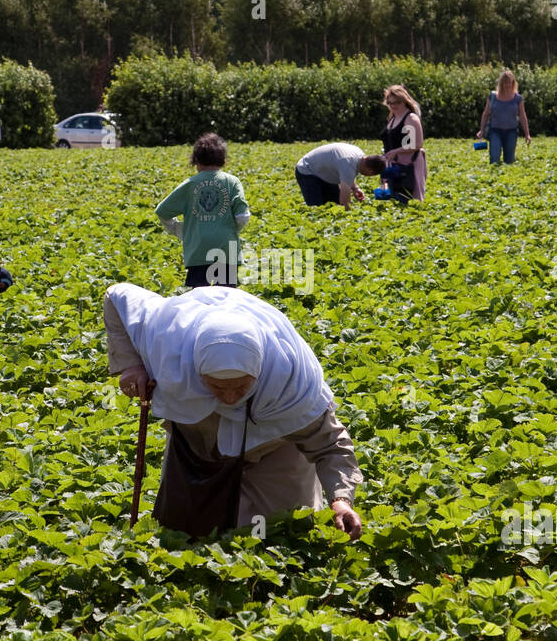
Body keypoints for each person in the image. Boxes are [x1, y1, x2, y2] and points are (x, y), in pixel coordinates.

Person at [104, 282, 364, 541]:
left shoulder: (290, 383)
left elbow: (331, 445)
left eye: (241, 387)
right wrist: (130, 365)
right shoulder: (166, 341)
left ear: (258, 373)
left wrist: (340, 500)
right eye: (216, 386)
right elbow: (117, 296)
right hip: (198, 448)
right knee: (185, 534)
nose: (229, 398)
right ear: (197, 371)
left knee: (279, 533)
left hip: (273, 450)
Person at [155, 133, 250, 289]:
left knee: (200, 302)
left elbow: (162, 211)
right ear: (223, 160)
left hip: (198, 250)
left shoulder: (190, 184)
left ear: (196, 161)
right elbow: (242, 216)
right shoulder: (232, 182)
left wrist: (179, 230)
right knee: (225, 299)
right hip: (226, 250)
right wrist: (233, 230)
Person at [294, 143, 386, 208]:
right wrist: (348, 217)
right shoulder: (348, 163)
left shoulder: (358, 155)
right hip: (307, 170)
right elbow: (344, 201)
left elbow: (347, 172)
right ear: (370, 171)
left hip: (324, 172)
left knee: (333, 204)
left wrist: (355, 188)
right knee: (316, 208)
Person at [379, 84, 428, 202]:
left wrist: (397, 151)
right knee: (393, 198)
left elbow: (417, 144)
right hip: (393, 164)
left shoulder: (410, 118)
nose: (393, 106)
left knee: (409, 198)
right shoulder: (392, 118)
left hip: (408, 165)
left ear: (404, 101)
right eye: (390, 103)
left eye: (397, 102)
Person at [479, 70, 532, 165]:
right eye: (504, 82)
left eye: (509, 82)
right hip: (495, 130)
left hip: (511, 131)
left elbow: (523, 116)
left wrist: (527, 134)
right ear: (501, 83)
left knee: (509, 161)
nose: (507, 85)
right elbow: (486, 114)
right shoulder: (493, 96)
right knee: (494, 158)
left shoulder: (518, 98)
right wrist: (481, 130)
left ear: (513, 83)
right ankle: (493, 178)